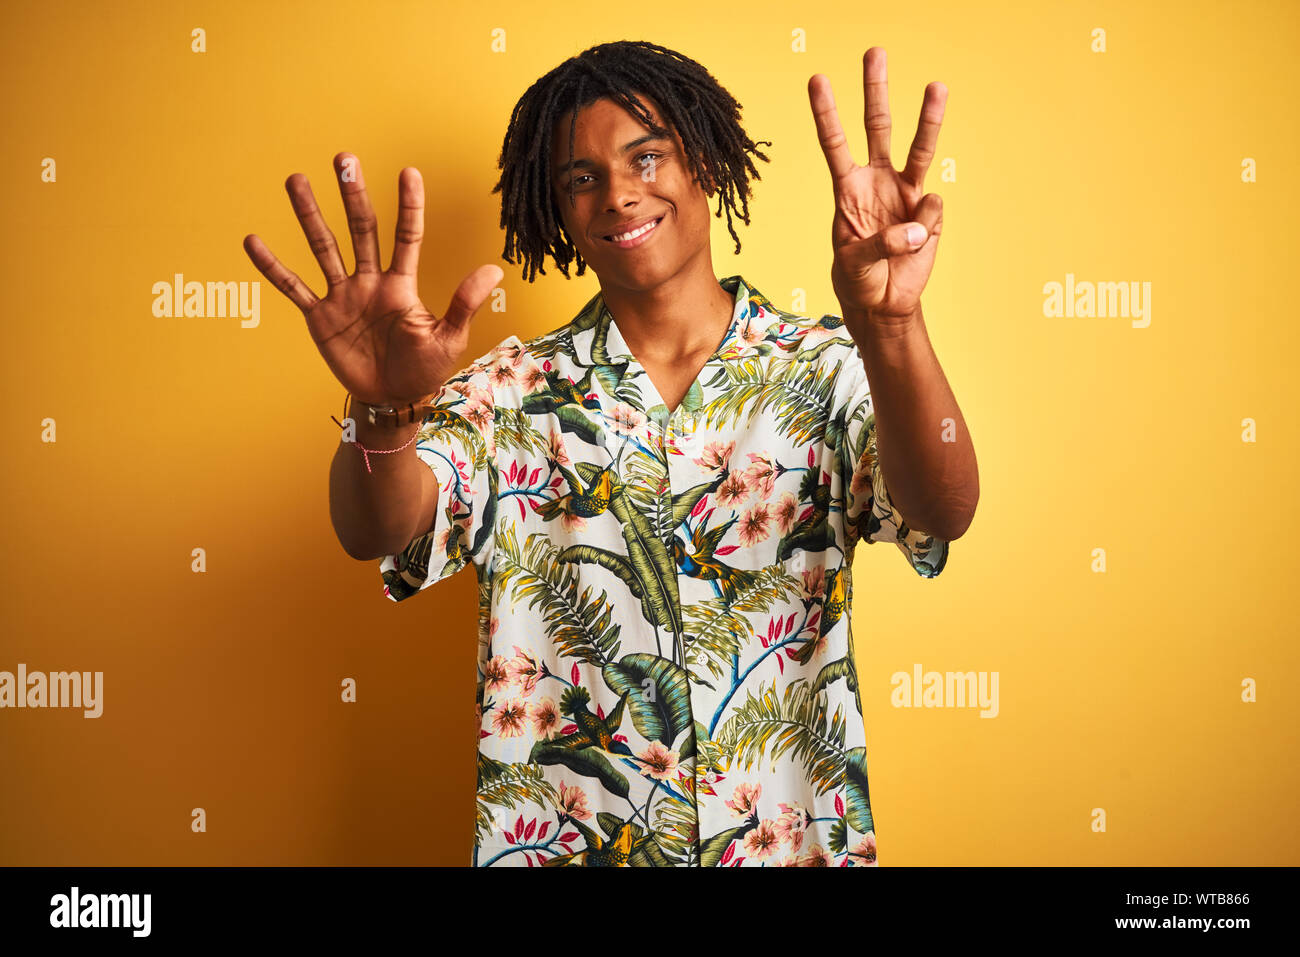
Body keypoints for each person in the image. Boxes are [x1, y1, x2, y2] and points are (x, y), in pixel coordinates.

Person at [244, 40, 978, 866]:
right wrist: (381, 409)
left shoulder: (827, 368)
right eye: (580, 177)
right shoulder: (510, 393)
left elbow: (941, 509)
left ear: (704, 162)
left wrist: (891, 326)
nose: (620, 194)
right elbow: (378, 526)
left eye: (647, 155)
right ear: (557, 208)